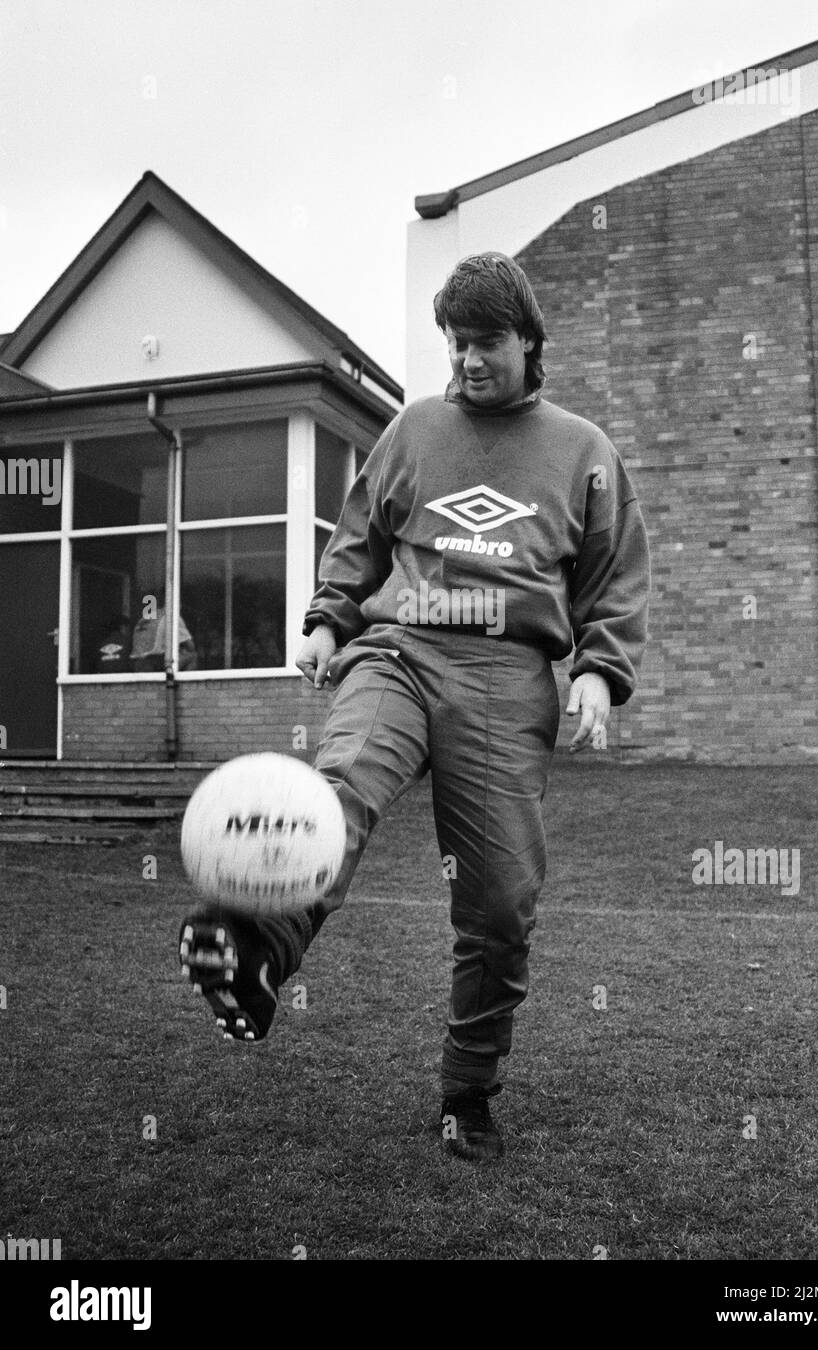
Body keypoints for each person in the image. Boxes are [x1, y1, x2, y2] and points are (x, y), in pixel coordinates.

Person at [179, 253, 651, 1161]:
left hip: (506, 680)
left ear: (528, 342)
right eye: (455, 342)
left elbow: (613, 580)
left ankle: (466, 1093)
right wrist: (326, 623)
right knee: (341, 781)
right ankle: (256, 953)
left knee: (501, 904)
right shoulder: (411, 431)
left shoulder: (583, 451)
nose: (467, 360)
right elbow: (359, 543)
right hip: (401, 649)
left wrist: (599, 670)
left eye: (485, 343)